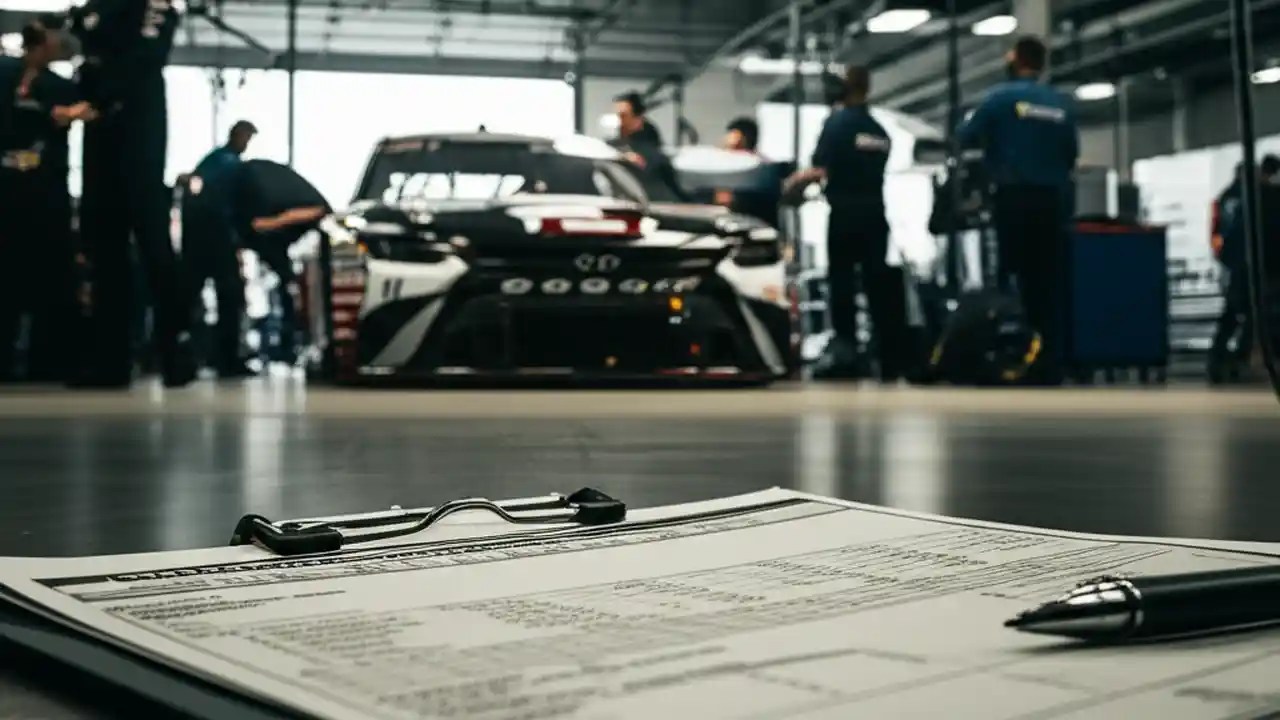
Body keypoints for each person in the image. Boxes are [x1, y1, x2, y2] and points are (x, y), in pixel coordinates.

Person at [70, 0, 196, 388]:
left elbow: (146, 55)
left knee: (152, 242)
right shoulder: (101, 6)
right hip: (101, 127)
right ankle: (111, 360)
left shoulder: (153, 5)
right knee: (104, 242)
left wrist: (101, 85)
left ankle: (175, 351)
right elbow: (86, 38)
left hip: (138, 126)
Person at [957, 35, 1079, 385]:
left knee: (1009, 278)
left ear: (1015, 58)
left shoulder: (1000, 97)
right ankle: (1049, 362)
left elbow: (965, 134)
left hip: (1015, 199)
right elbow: (1070, 154)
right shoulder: (1061, 105)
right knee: (1049, 283)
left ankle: (1010, 356)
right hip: (1053, 203)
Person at [784, 66, 910, 381]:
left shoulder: (838, 123)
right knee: (876, 285)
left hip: (844, 215)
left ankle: (846, 354)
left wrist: (790, 188)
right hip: (876, 216)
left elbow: (818, 170)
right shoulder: (880, 131)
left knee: (841, 285)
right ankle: (889, 358)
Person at [0, 18, 93, 383]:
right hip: (13, 190)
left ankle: (46, 360)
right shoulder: (9, 75)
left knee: (49, 275)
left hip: (43, 192)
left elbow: (79, 111)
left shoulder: (59, 87)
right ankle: (20, 359)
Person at [184, 120, 258, 378]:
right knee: (229, 296)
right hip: (219, 237)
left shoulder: (211, 161)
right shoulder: (232, 165)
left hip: (196, 238)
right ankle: (227, 359)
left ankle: (183, 353)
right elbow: (233, 205)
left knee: (190, 295)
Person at [1208, 155, 1280, 383]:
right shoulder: (1265, 198)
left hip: (1239, 266)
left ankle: (1219, 360)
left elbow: (1224, 234)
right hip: (1262, 268)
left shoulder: (1230, 197)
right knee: (1255, 315)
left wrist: (1226, 258)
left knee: (1234, 314)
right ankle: (1238, 359)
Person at [612, 91, 683, 200]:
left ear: (638, 118)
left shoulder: (650, 151)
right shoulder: (615, 146)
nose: (619, 122)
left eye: (623, 116)